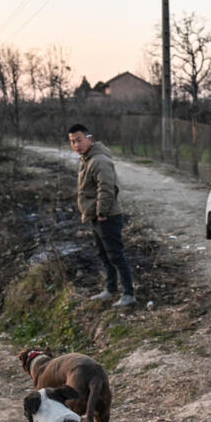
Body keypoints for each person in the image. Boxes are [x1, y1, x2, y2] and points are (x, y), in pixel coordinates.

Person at [67, 123, 136, 307]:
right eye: (72, 142)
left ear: (89, 138)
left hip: (107, 216)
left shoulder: (99, 160)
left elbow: (106, 188)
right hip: (96, 215)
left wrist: (102, 213)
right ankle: (110, 288)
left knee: (116, 255)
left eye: (79, 140)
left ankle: (128, 294)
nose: (76, 145)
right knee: (104, 254)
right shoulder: (87, 158)